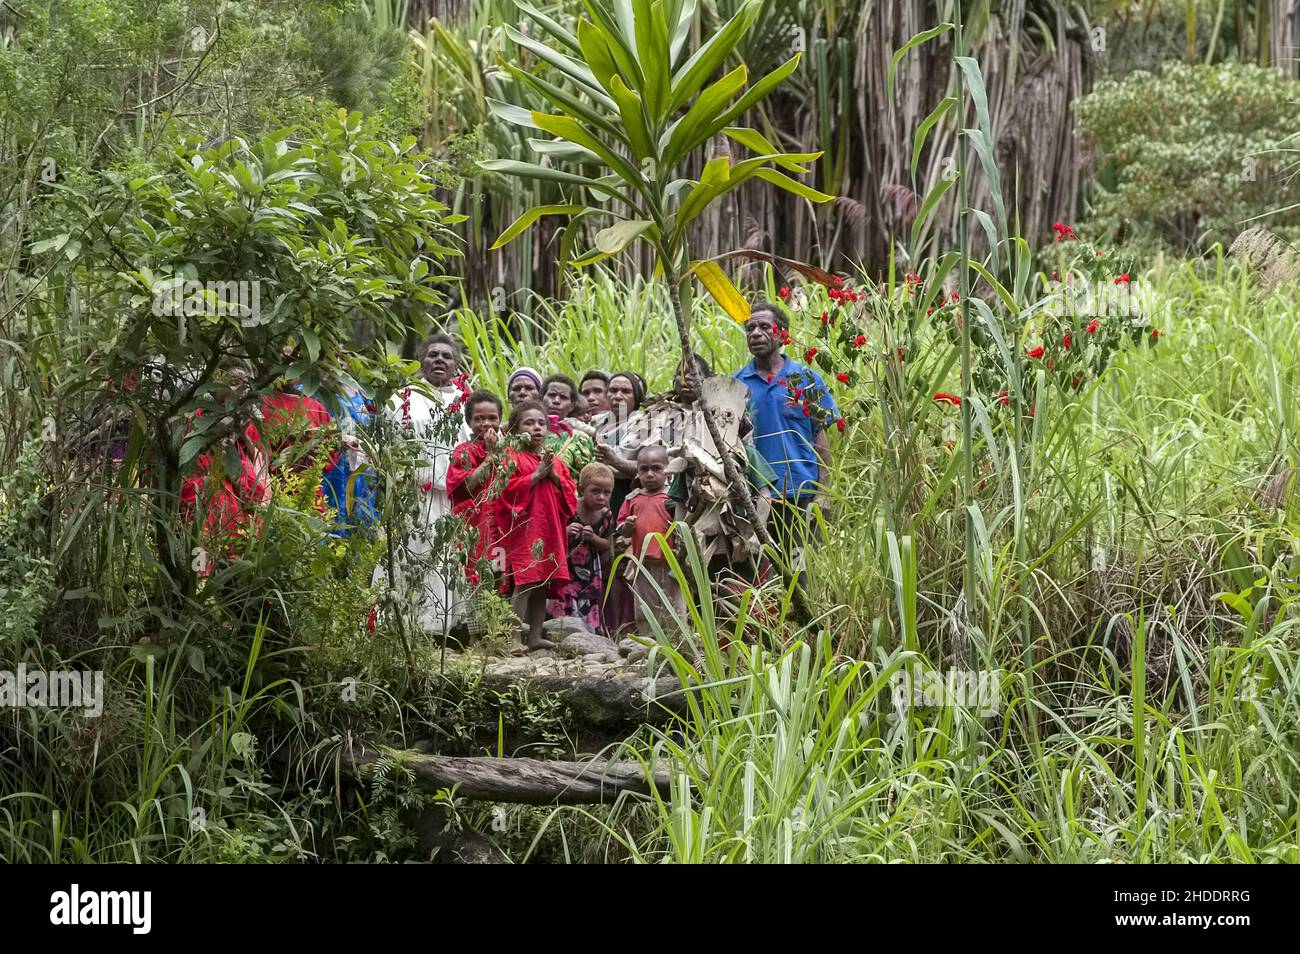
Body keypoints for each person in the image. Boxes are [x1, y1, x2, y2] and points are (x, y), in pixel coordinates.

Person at [378, 332, 472, 635]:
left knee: (443, 559)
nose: (440, 360)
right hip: (410, 496)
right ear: (421, 359)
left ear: (456, 363)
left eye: (447, 355)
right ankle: (399, 623)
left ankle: (441, 627)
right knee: (407, 555)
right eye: (433, 354)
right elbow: (386, 446)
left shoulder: (466, 400)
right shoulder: (401, 398)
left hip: (451, 498)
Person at [734, 302, 838, 570]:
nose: (755, 333)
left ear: (782, 334)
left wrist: (824, 493)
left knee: (799, 572)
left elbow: (820, 438)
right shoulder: (736, 385)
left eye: (764, 327)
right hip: (755, 496)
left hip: (801, 491)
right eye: (750, 328)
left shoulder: (805, 378)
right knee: (759, 573)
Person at [497, 400, 577, 653]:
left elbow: (571, 497)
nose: (537, 428)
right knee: (525, 581)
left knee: (542, 581)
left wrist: (552, 474)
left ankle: (535, 636)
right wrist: (534, 476)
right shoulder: (511, 458)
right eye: (529, 423)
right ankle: (512, 637)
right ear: (515, 429)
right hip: (525, 530)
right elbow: (503, 492)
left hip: (550, 530)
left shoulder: (555, 461)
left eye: (541, 423)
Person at [617, 444, 686, 635]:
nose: (649, 474)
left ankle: (678, 645)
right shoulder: (632, 499)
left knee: (675, 610)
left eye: (656, 468)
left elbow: (684, 526)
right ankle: (648, 648)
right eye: (643, 469)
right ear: (637, 472)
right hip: (642, 566)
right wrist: (628, 527)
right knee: (644, 609)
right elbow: (622, 530)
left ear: (668, 469)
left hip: (671, 565)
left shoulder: (673, 499)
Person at [546, 462, 615, 633]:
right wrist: (566, 532)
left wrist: (593, 538)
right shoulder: (569, 509)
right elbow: (550, 536)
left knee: (589, 604)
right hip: (565, 568)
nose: (601, 497)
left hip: (591, 571)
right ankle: (559, 636)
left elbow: (607, 544)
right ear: (581, 488)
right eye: (595, 491)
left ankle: (588, 639)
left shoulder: (606, 515)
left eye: (607, 493)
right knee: (563, 601)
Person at [446, 390, 505, 587]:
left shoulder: (508, 450)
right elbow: (468, 489)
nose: (486, 424)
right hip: (475, 529)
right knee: (477, 579)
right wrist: (489, 457)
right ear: (469, 422)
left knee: (500, 578)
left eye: (492, 418)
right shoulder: (463, 451)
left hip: (502, 527)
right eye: (479, 419)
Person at [540, 372, 596, 472]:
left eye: (563, 397)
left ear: (572, 406)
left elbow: (587, 479)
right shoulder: (524, 433)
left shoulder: (580, 439)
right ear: (541, 399)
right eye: (552, 395)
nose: (556, 400)